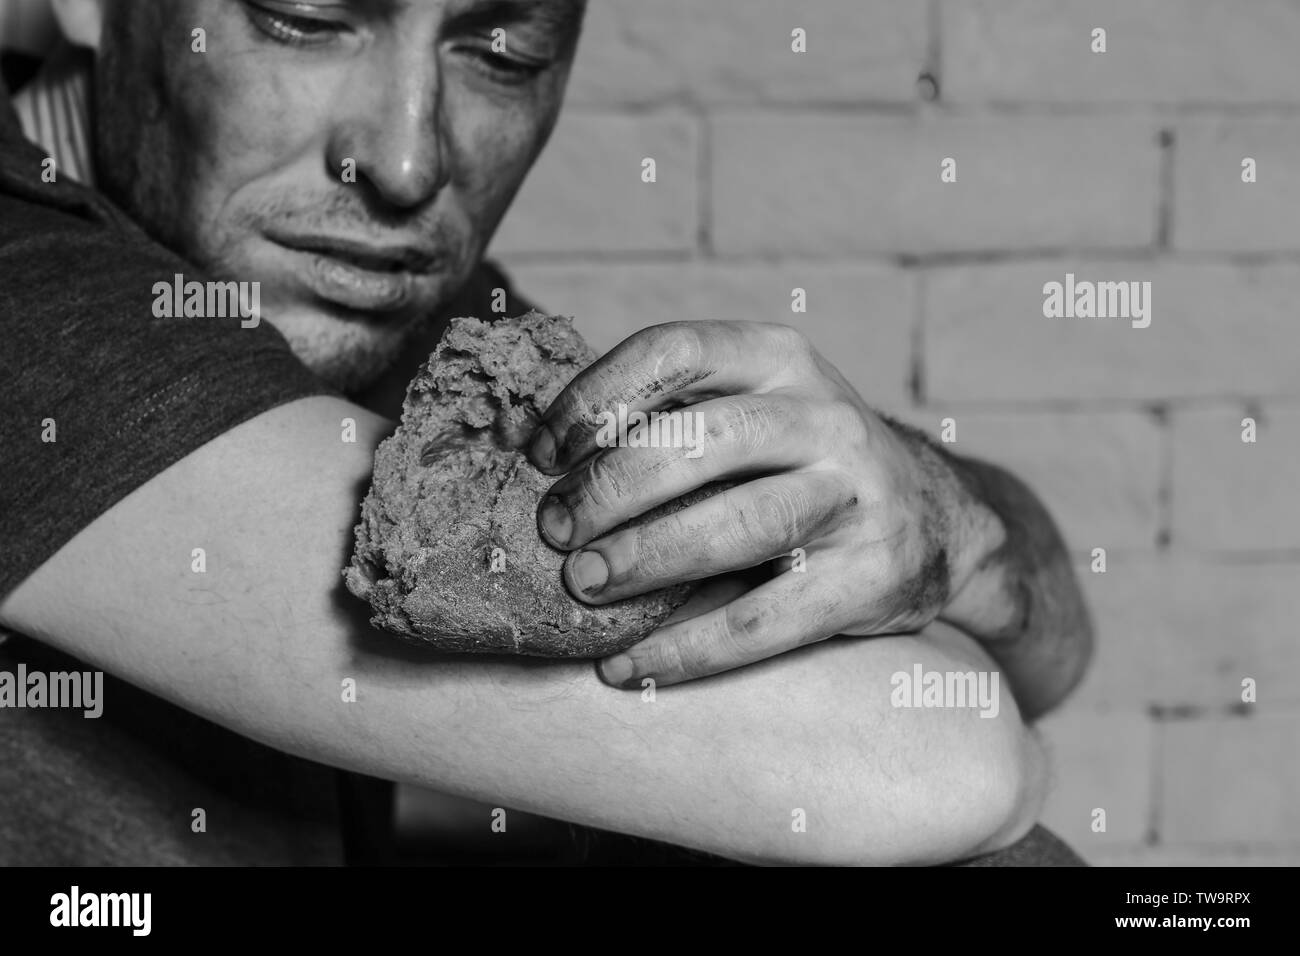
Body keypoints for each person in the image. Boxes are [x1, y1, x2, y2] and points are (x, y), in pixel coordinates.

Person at [0, 0, 1091, 865]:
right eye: (307, 18)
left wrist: (939, 515)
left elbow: (1054, 645)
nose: (406, 161)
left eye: (502, 49)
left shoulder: (361, 290)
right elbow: (930, 758)